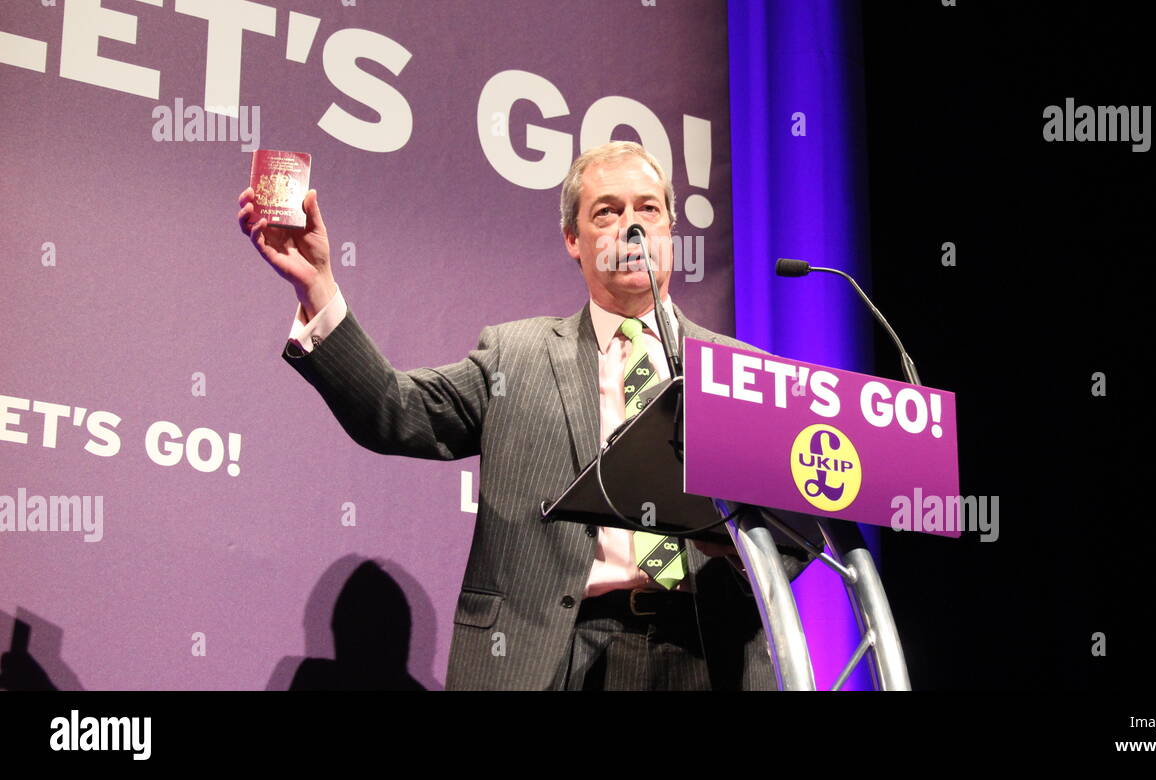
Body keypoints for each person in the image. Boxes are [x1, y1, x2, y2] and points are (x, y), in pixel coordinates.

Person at [237, 141, 809, 690]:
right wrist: (319, 286)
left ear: (669, 231)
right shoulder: (517, 355)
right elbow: (395, 410)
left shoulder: (741, 371)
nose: (631, 226)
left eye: (648, 210)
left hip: (711, 653)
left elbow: (795, 532)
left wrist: (737, 548)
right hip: (558, 653)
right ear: (572, 240)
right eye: (606, 213)